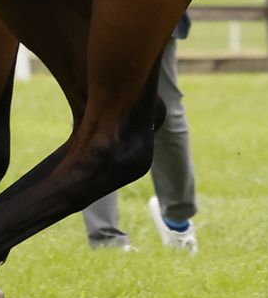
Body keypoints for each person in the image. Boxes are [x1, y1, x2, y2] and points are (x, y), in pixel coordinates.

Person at [83, 14, 198, 252]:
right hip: (87, 8)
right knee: (98, 117)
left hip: (153, 3)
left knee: (167, 115)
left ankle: (177, 218)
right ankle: (105, 239)